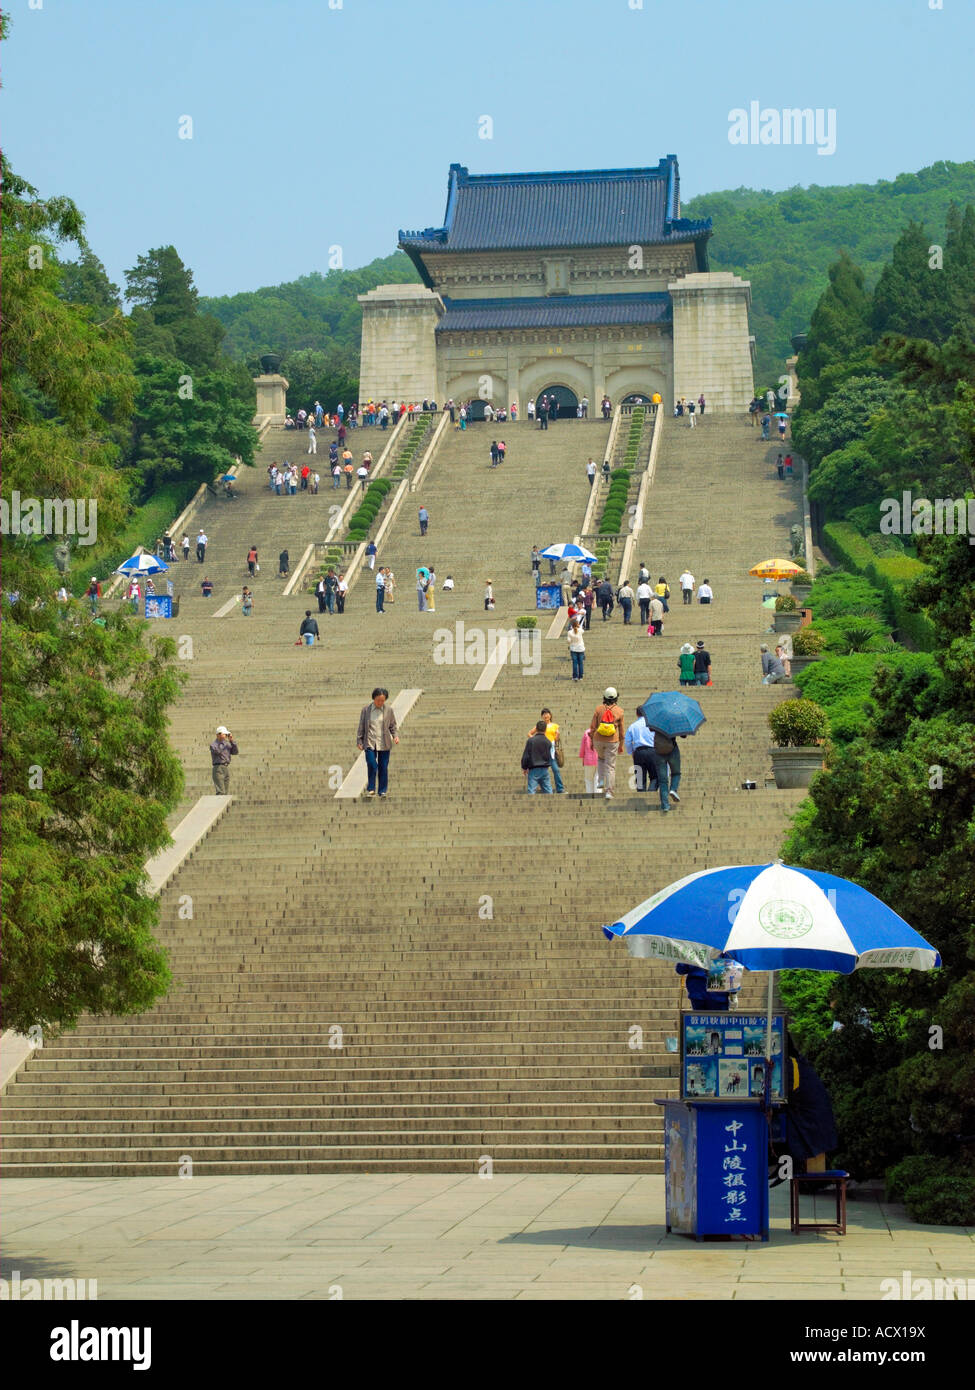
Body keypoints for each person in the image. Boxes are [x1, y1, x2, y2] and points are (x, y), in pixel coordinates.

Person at [356, 687, 399, 798]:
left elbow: (392, 725)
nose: (380, 702)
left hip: (384, 742)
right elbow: (361, 726)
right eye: (378, 700)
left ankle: (382, 790)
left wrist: (395, 736)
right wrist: (359, 740)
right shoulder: (366, 710)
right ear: (373, 698)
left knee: (383, 767)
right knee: (372, 764)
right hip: (370, 742)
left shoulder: (388, 710)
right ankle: (371, 789)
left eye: (382, 700)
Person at [589, 688, 624, 800]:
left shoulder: (599, 709)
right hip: (612, 741)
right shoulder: (620, 711)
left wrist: (591, 741)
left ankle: (601, 780)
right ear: (616, 698)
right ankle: (609, 791)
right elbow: (622, 731)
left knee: (600, 759)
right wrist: (621, 744)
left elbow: (593, 727)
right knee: (610, 766)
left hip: (598, 739)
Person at [529, 708, 565, 794]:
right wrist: (535, 740)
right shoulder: (540, 725)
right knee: (541, 770)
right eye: (544, 714)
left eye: (547, 713)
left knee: (555, 770)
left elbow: (556, 739)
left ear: (550, 715)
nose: (546, 715)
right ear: (542, 716)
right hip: (541, 751)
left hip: (551, 750)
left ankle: (560, 789)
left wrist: (557, 736)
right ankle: (540, 787)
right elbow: (529, 733)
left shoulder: (554, 725)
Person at [624, 706, 658, 794]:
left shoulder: (633, 726)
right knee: (655, 776)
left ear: (637, 714)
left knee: (640, 779)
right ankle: (651, 792)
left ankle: (641, 797)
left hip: (638, 752)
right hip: (652, 751)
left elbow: (627, 741)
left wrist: (631, 752)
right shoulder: (652, 724)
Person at [650, 726, 682, 813]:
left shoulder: (657, 721)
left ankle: (665, 805)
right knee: (676, 773)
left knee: (663, 780)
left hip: (659, 751)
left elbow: (650, 729)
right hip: (672, 749)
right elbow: (683, 735)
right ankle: (673, 789)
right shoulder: (674, 721)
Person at [522, 720, 554, 794]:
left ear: (536, 729)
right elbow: (549, 756)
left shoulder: (531, 741)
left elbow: (526, 755)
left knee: (531, 791)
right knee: (548, 791)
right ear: (545, 729)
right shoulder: (548, 742)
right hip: (544, 769)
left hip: (533, 769)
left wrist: (524, 767)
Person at [210, 726, 238, 795]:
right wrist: (223, 743)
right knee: (220, 791)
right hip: (218, 768)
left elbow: (235, 752)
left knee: (225, 792)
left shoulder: (227, 743)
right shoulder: (213, 745)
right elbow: (218, 751)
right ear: (218, 734)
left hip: (225, 767)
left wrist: (231, 741)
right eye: (224, 734)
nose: (226, 736)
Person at [578, 728, 599, 795]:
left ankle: (589, 795)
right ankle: (597, 794)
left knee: (588, 779)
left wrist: (582, 756)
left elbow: (582, 747)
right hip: (599, 759)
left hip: (588, 759)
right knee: (597, 778)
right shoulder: (601, 732)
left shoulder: (586, 732)